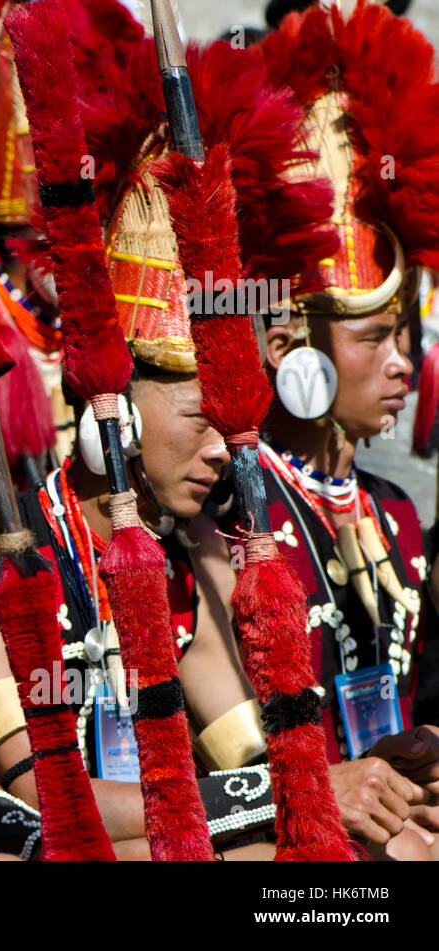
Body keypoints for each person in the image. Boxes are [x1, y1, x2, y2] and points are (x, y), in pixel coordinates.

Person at [0, 8, 344, 858]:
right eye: (198, 411)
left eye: (235, 421)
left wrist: (323, 796)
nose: (225, 447)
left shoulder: (198, 555)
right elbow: (56, 801)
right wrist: (286, 791)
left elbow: (245, 742)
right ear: (112, 394)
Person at [207, 0, 439, 859]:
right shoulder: (231, 514)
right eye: (376, 337)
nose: (404, 363)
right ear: (293, 345)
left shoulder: (396, 514)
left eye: (407, 337)